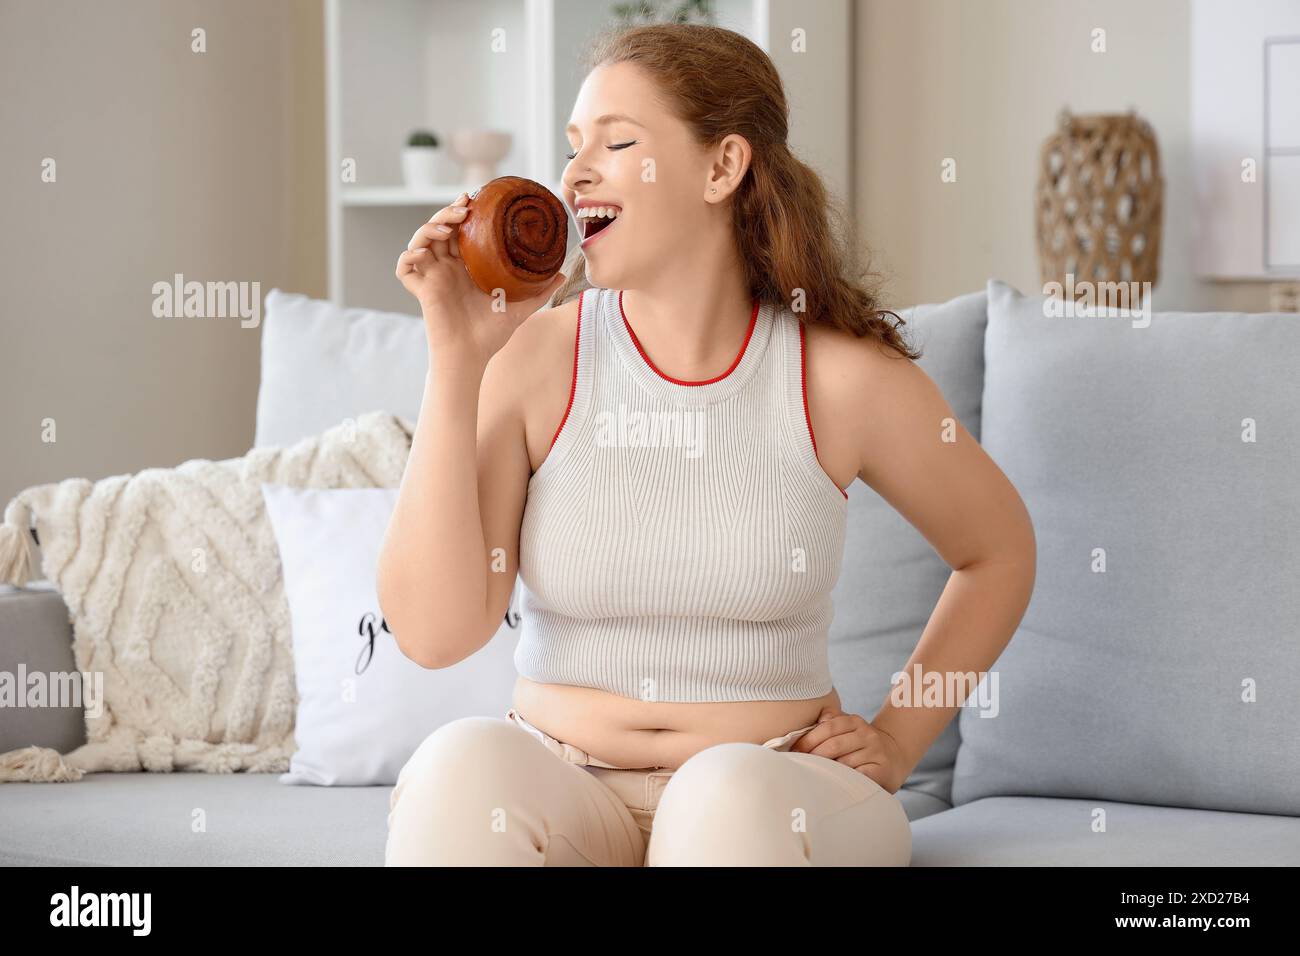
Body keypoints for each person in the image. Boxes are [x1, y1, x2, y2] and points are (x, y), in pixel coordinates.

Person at [379, 22, 1035, 866]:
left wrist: (897, 742)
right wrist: (456, 361)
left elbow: (999, 551)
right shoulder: (535, 359)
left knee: (718, 799)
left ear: (722, 167)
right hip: (565, 778)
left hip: (769, 787)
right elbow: (433, 634)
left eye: (617, 142)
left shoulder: (839, 377)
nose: (576, 174)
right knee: (455, 768)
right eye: (574, 147)